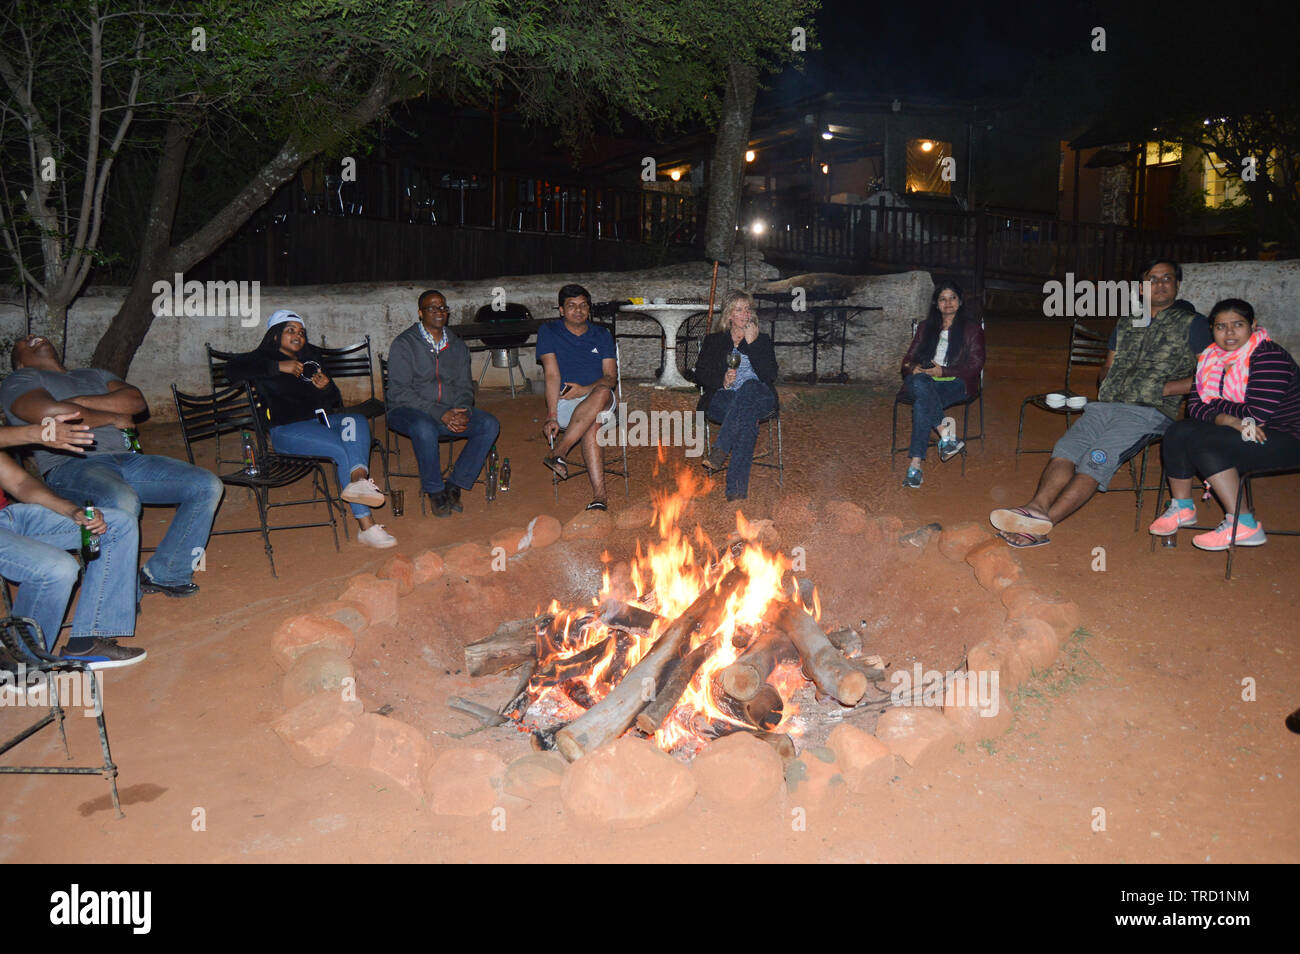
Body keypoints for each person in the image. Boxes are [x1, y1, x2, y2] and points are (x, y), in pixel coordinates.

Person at [990, 260, 1211, 547]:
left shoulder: (1194, 324)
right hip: (1105, 406)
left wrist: (1164, 388)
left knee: (1095, 460)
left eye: (1166, 278)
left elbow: (1211, 375)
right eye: (1152, 278)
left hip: (1147, 413)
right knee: (1065, 451)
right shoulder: (1128, 320)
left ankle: (1042, 527)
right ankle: (1035, 508)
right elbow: (1107, 365)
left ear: (1177, 284)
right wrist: (1108, 383)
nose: (1159, 284)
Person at [2, 334, 223, 597]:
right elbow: (50, 414)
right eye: (24, 342)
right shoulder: (22, 379)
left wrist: (78, 401)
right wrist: (112, 416)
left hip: (128, 458)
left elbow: (135, 402)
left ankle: (166, 573)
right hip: (73, 466)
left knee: (205, 485)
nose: (33, 337)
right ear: (20, 364)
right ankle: (115, 594)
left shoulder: (94, 373)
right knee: (122, 499)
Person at [226, 310, 396, 549]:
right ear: (275, 335)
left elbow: (334, 399)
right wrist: (278, 366)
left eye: (301, 332)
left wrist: (326, 387)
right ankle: (366, 526)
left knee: (355, 420)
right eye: (290, 330)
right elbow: (231, 370)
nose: (298, 336)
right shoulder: (262, 357)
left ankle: (358, 480)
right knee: (342, 448)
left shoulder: (311, 357)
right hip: (286, 430)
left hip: (321, 422)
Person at [1149, 299, 1300, 550]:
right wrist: (1227, 418)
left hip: (1286, 437)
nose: (1229, 333)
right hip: (1240, 430)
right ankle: (1183, 507)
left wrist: (1215, 406)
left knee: (1204, 442)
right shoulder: (1209, 359)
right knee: (1178, 430)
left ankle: (1244, 524)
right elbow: (1194, 408)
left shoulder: (1268, 356)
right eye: (1221, 327)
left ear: (1252, 325)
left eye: (1238, 325)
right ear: (1212, 330)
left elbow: (1255, 415)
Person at [0, 417, 144, 669]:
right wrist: (36, 433)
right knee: (57, 568)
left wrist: (72, 511)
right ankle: (19, 657)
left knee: (118, 524)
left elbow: (20, 483)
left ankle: (88, 641)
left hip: (8, 517)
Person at [386, 289, 500, 517]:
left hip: (447, 410)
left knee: (489, 424)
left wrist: (463, 411)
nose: (439, 312)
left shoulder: (457, 346)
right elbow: (399, 393)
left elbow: (465, 388)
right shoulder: (405, 344)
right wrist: (442, 413)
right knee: (424, 428)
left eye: (443, 307)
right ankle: (435, 491)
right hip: (408, 410)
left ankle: (455, 485)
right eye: (432, 307)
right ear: (420, 313)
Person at [538, 283, 617, 511]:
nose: (578, 310)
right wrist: (551, 415)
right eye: (571, 306)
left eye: (583, 305)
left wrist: (584, 390)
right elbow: (552, 374)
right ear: (561, 310)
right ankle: (600, 496)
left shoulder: (601, 334)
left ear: (589, 309)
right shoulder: (549, 332)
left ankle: (560, 451)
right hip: (566, 402)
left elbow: (610, 378)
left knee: (601, 391)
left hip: (602, 399)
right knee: (592, 426)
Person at [898, 282, 985, 488]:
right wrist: (915, 368)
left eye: (952, 298)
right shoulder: (925, 327)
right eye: (943, 299)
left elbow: (975, 366)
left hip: (957, 381)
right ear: (936, 304)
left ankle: (915, 467)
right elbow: (907, 361)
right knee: (919, 383)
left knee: (921, 404)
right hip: (925, 380)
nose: (948, 303)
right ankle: (946, 436)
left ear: (960, 301)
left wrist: (943, 371)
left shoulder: (972, 330)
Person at [694, 290, 779, 501]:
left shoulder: (762, 339)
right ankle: (736, 493)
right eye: (739, 309)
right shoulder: (714, 341)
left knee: (749, 387)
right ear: (729, 315)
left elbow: (769, 375)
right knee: (745, 417)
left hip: (760, 395)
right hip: (725, 397)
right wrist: (722, 380)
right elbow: (701, 374)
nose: (745, 314)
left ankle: (720, 449)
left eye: (748, 309)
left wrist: (753, 344)